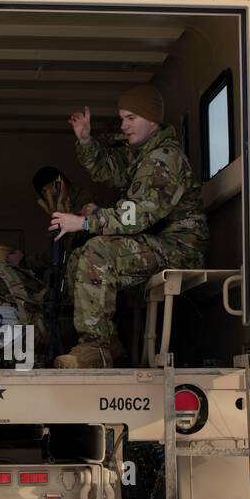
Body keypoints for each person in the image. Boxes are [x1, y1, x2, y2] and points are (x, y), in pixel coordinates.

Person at [48, 85, 209, 368]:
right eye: (122, 118)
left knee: (98, 252)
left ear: (152, 120)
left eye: (131, 118)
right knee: (78, 259)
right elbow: (108, 169)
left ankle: (94, 349)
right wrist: (85, 141)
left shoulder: (163, 159)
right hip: (154, 241)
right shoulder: (143, 153)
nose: (124, 125)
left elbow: (138, 215)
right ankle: (108, 341)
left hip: (178, 248)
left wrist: (86, 221)